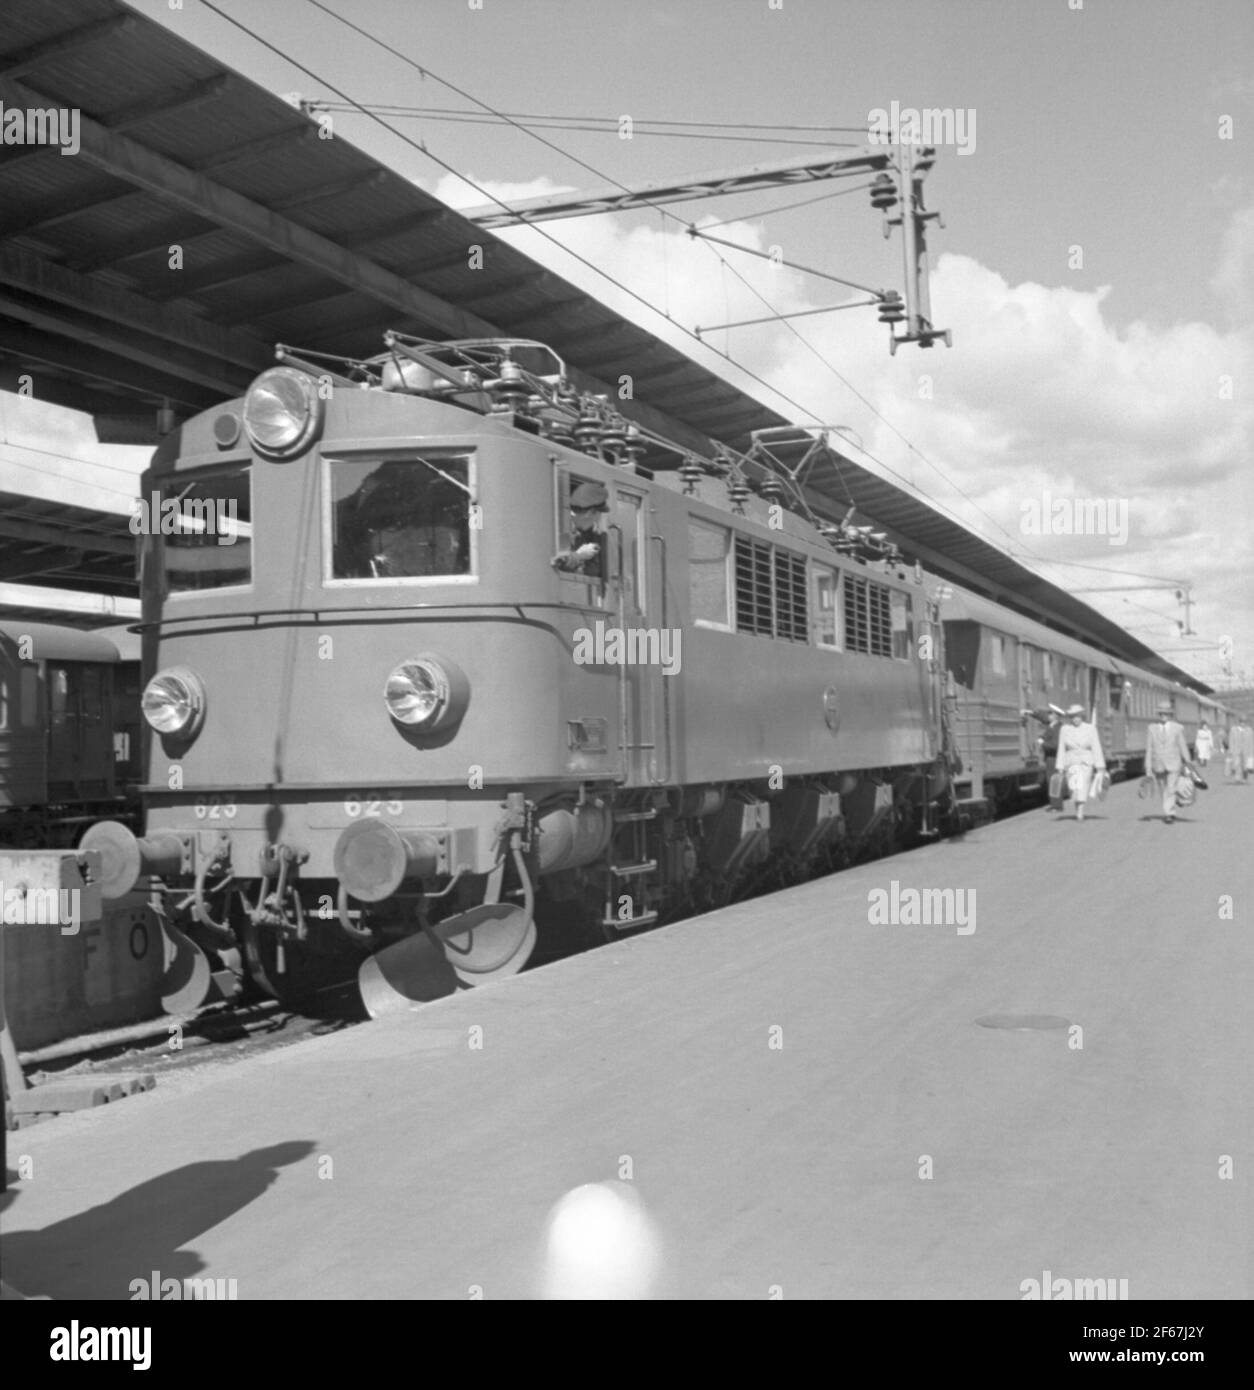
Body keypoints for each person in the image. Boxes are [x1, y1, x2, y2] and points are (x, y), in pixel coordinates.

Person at [1144, 701, 1194, 823]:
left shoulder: (1177, 728)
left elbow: (1182, 746)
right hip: (1158, 764)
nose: (1163, 716)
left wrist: (1188, 762)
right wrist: (1148, 767)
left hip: (1174, 763)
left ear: (1170, 715)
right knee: (1163, 789)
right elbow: (1149, 748)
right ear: (1158, 714)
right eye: (1161, 713)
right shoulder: (1152, 728)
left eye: (1166, 714)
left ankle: (1169, 813)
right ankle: (1171, 803)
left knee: (1170, 787)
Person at [1054, 703, 1106, 821]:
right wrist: (1060, 766)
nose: (1075, 719)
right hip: (1071, 762)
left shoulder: (1090, 729)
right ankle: (1077, 809)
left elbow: (1096, 747)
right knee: (1074, 788)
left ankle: (1080, 812)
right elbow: (1061, 748)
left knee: (1083, 786)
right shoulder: (1065, 729)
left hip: (1086, 762)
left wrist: (1100, 766)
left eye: (1077, 716)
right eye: (1073, 716)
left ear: (1081, 716)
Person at [551, 481, 608, 578]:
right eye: (599, 515)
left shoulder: (590, 534)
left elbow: (595, 571)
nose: (598, 520)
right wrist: (580, 555)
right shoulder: (562, 527)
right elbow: (556, 563)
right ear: (590, 512)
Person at [1022, 706, 1063, 810]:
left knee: (1054, 781)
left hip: (1055, 758)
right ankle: (1054, 804)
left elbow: (1056, 745)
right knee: (1052, 781)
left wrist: (1043, 743)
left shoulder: (1058, 728)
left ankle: (1057, 806)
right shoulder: (1052, 725)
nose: (1048, 716)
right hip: (1051, 758)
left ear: (1055, 716)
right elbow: (1042, 717)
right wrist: (1029, 712)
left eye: (1050, 714)